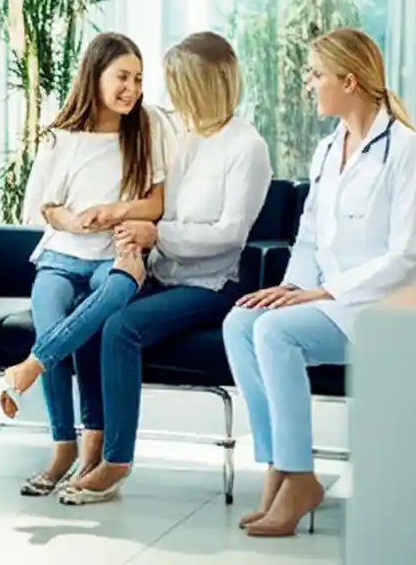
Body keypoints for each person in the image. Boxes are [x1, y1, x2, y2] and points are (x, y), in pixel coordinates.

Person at [224, 26, 416, 537]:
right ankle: (280, 465)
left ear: (350, 79)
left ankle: (299, 478)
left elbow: (404, 256)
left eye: (315, 75)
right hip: (329, 303)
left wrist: (323, 293)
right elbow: (311, 238)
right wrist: (292, 290)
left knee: (276, 333)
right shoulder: (326, 151)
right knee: (241, 322)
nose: (308, 84)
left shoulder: (406, 150)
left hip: (385, 307)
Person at [59, 32, 273, 505]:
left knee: (122, 328)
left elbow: (229, 234)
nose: (168, 94)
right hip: (162, 270)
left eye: (178, 82)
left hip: (212, 283)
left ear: (203, 84)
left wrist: (157, 235)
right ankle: (91, 441)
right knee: (90, 310)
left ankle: (117, 461)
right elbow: (156, 206)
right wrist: (129, 229)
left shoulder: (247, 147)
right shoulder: (185, 136)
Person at [0, 31, 170, 497]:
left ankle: (78, 429)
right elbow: (46, 208)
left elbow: (155, 203)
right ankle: (64, 446)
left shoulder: (145, 129)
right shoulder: (60, 137)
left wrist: (116, 212)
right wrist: (73, 220)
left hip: (113, 255)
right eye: (122, 77)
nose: (131, 89)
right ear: (94, 76)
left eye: (138, 79)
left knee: (112, 293)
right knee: (51, 317)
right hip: (60, 254)